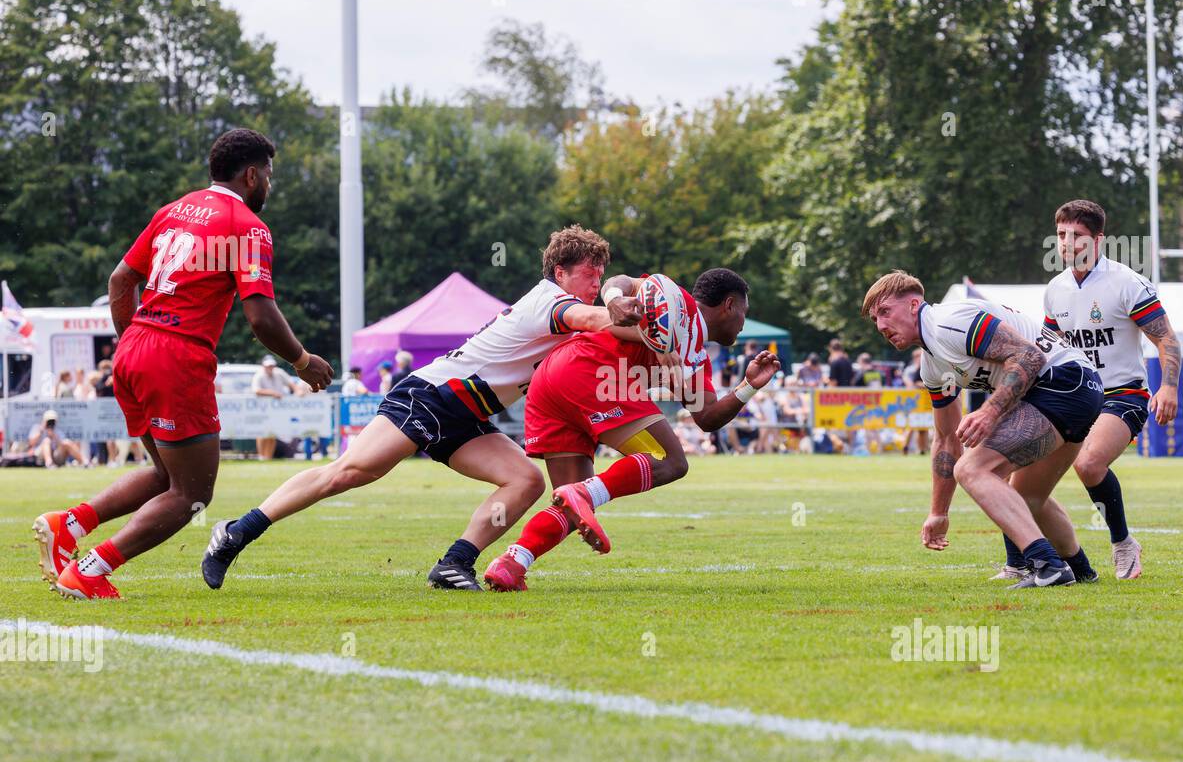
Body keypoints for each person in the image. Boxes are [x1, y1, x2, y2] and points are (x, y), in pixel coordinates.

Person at [201, 224, 643, 592]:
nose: (596, 282)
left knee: (524, 480)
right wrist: (628, 311)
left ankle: (455, 565)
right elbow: (591, 321)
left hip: (466, 412)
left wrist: (633, 312)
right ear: (560, 272)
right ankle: (237, 532)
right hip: (432, 395)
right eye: (590, 273)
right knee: (351, 472)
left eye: (601, 274)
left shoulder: (564, 301)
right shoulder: (552, 301)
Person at [32, 128, 333, 600]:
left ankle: (68, 525)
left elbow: (119, 280)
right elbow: (260, 316)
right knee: (191, 493)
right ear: (252, 175)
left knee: (163, 476)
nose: (270, 187)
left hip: (132, 348)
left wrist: (136, 341)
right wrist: (301, 359)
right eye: (269, 176)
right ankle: (90, 569)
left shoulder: (173, 211)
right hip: (175, 355)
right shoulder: (247, 226)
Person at [482, 267, 779, 591]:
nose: (743, 324)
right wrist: (613, 299)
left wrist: (748, 385)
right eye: (744, 314)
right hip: (589, 373)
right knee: (670, 460)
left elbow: (707, 418)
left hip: (554, 381)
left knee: (572, 506)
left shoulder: (695, 355)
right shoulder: (678, 301)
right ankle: (582, 493)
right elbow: (620, 282)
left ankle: (512, 563)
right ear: (730, 305)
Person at [863, 270, 1102, 588]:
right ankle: (1081, 571)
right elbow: (946, 438)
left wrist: (990, 411)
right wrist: (938, 513)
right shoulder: (932, 366)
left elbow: (1029, 356)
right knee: (1028, 496)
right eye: (875, 319)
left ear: (913, 304)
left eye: (884, 312)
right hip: (1076, 389)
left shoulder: (949, 322)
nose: (880, 326)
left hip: (1063, 383)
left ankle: (1047, 566)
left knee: (973, 470)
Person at [988, 199, 1181, 582]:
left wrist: (1169, 387)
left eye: (1076, 236)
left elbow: (1166, 339)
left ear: (1098, 240)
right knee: (1020, 477)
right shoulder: (1056, 290)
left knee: (1089, 464)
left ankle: (1123, 542)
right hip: (1074, 396)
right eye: (1061, 235)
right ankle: (1020, 562)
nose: (1067, 243)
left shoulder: (1126, 283)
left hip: (1123, 395)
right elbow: (1047, 349)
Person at [252, 354, 296, 460]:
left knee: (272, 432)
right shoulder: (259, 375)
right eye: (268, 366)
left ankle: (268, 457)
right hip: (263, 409)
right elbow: (256, 391)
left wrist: (298, 391)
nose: (270, 368)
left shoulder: (279, 373)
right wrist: (273, 393)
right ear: (263, 366)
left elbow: (292, 384)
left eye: (272, 366)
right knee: (262, 432)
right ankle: (262, 456)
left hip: (277, 410)